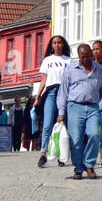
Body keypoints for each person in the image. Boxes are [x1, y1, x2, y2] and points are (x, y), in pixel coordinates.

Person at [56, 42, 102, 180]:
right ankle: (78, 168)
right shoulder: (70, 69)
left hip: (93, 106)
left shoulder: (99, 69)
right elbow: (63, 92)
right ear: (78, 56)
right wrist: (61, 112)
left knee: (94, 134)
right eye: (82, 57)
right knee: (76, 139)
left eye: (87, 56)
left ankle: (89, 165)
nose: (85, 60)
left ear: (91, 55)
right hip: (75, 107)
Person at [34, 35, 72, 168]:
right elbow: (43, 80)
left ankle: (62, 156)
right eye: (54, 43)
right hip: (50, 92)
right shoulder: (47, 60)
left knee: (64, 124)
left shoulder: (69, 61)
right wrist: (37, 97)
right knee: (47, 124)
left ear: (63, 44)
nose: (57, 45)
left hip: (64, 92)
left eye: (59, 42)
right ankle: (43, 153)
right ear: (51, 45)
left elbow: (71, 80)